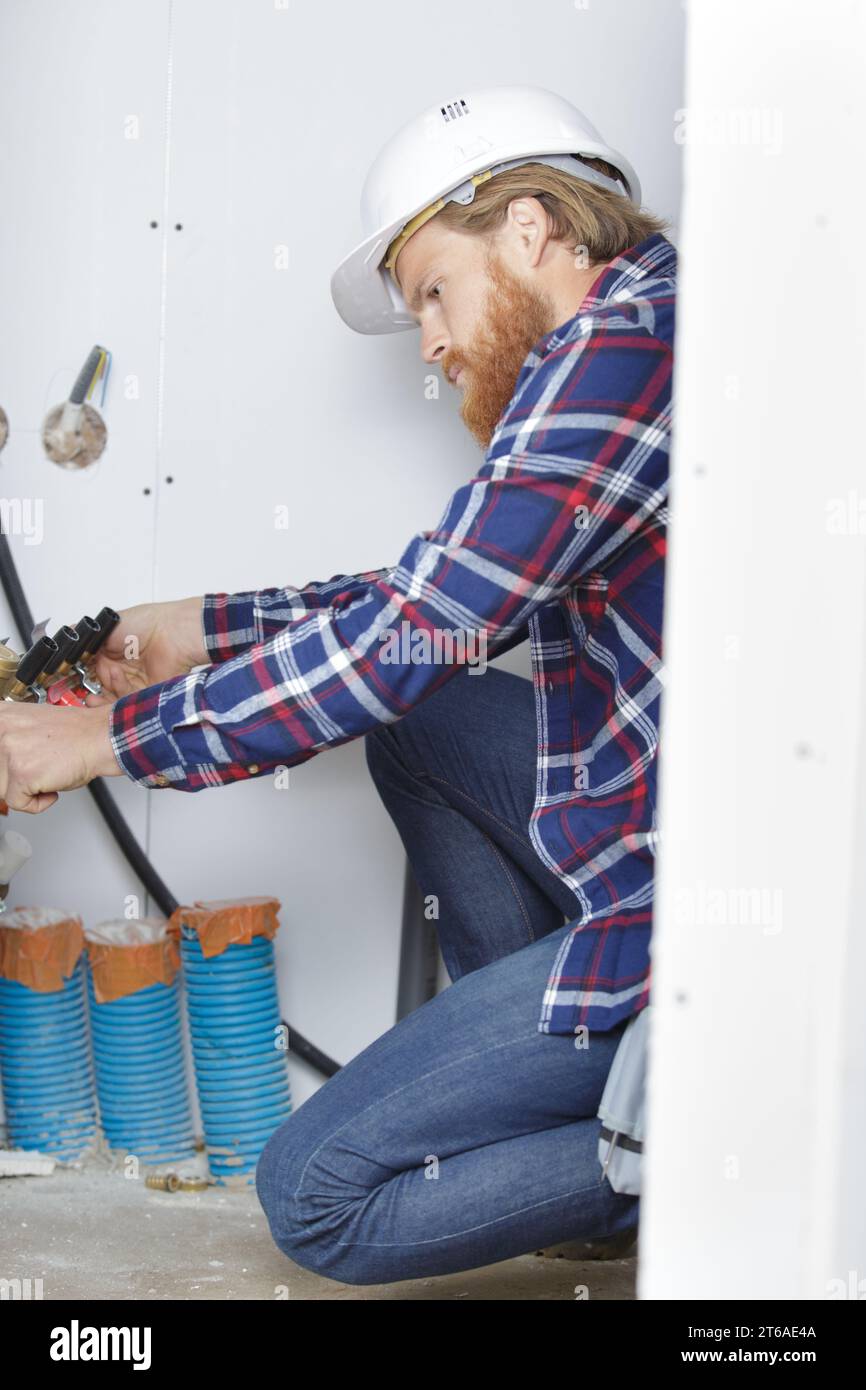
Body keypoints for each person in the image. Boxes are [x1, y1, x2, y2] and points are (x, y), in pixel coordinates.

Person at [0, 85, 674, 1284]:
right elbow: (440, 608)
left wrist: (106, 742)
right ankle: (554, 1096)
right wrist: (204, 628)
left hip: (684, 907)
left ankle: (665, 1129)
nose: (431, 340)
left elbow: (408, 629)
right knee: (427, 726)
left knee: (314, 1197)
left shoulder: (621, 352)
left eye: (431, 290)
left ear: (525, 230)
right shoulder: (625, 338)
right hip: (647, 822)